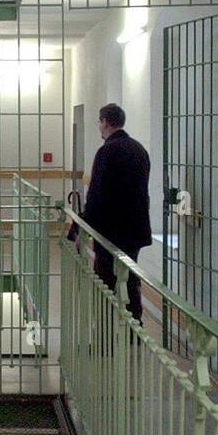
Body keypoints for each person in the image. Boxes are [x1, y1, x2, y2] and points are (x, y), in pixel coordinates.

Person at [82, 103, 151, 323]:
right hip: (135, 229)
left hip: (110, 231)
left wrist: (79, 231)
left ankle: (106, 331)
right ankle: (134, 325)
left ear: (105, 122)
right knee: (130, 279)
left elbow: (96, 196)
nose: (99, 127)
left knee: (106, 282)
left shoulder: (107, 152)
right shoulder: (139, 150)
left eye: (99, 122)